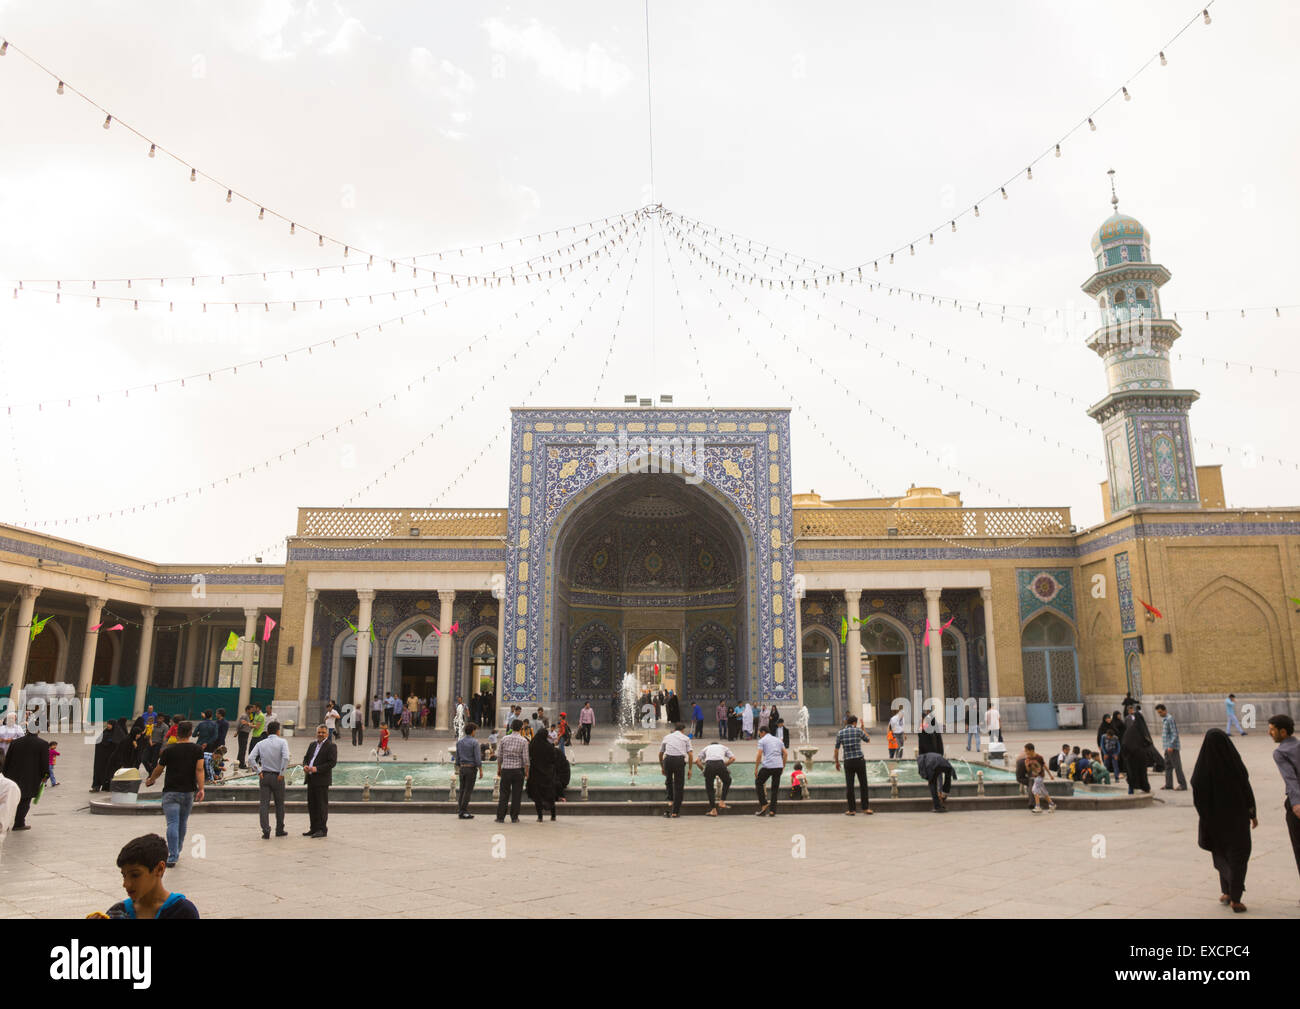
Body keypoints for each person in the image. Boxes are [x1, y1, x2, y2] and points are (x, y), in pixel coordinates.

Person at [1191, 728, 1256, 912]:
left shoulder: (1203, 768)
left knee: (1221, 853)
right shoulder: (1234, 763)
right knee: (1238, 856)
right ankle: (1235, 897)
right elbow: (1246, 788)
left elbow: (1197, 790)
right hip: (1237, 819)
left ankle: (1227, 892)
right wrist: (1252, 813)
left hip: (1214, 821)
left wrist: (1206, 816)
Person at [144, 721, 205, 866]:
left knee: (172, 823)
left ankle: (172, 855)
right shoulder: (197, 749)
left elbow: (159, 768)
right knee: (182, 822)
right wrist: (201, 788)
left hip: (171, 791)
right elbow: (199, 770)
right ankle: (177, 849)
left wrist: (151, 779)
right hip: (188, 791)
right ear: (190, 733)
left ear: (177, 734)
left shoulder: (169, 750)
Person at [105, 834, 200, 919]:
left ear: (159, 869)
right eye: (124, 876)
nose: (126, 884)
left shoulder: (182, 912)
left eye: (135, 875)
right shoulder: (118, 912)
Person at [1267, 714, 1300, 886]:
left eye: (1272, 729)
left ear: (1283, 732)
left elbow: (1291, 779)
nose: (1269, 733)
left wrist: (1296, 804)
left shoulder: (1280, 752)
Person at [248, 720, 291, 840]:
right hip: (278, 776)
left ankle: (266, 830)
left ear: (267, 731)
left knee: (264, 805)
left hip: (265, 775)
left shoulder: (261, 743)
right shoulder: (282, 742)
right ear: (278, 731)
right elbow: (286, 757)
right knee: (279, 804)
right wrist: (282, 773)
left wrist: (258, 771)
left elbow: (251, 758)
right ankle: (279, 829)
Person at [4, 728, 50, 831]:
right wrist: (46, 776)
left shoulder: (15, 742)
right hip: (31, 777)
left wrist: (5, 774)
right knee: (25, 800)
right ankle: (19, 823)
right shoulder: (42, 744)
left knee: (10, 801)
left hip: (12, 775)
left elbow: (7, 759)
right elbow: (44, 762)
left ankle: (4, 824)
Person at [300, 723, 337, 839]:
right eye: (319, 732)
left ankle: (322, 829)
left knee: (321, 806)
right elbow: (306, 758)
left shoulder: (331, 746)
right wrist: (305, 766)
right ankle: (313, 828)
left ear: (327, 734)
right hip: (311, 778)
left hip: (321, 780)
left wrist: (317, 769)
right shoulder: (312, 744)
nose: (320, 734)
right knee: (312, 805)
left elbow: (332, 763)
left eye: (323, 732)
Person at [834, 715, 874, 815]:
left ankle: (852, 810)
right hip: (859, 760)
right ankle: (865, 808)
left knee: (850, 786)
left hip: (848, 762)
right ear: (855, 723)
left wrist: (837, 762)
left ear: (847, 722)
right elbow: (868, 739)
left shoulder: (840, 733)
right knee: (863, 785)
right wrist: (863, 729)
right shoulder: (858, 731)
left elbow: (836, 749)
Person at [495, 719, 530, 823]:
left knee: (504, 794)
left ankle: (500, 817)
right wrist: (527, 772)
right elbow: (526, 759)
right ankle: (514, 817)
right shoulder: (523, 740)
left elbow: (499, 756)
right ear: (521, 728)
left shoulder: (504, 739)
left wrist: (499, 769)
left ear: (511, 727)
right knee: (516, 794)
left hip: (506, 770)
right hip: (518, 771)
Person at [658, 722, 694, 818]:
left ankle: (670, 800)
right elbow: (690, 754)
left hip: (668, 760)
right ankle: (675, 812)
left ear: (674, 729)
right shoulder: (686, 738)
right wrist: (690, 769)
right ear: (682, 730)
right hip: (679, 761)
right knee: (679, 785)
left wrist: (662, 767)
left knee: (668, 780)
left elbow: (660, 754)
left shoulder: (667, 737)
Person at [753, 725, 787, 817]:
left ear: (763, 732)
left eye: (759, 733)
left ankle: (764, 804)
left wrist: (756, 768)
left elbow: (759, 755)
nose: (759, 735)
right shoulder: (778, 740)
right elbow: (785, 753)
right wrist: (783, 766)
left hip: (768, 766)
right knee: (775, 789)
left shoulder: (762, 741)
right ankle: (772, 811)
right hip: (778, 766)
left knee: (759, 782)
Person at [526, 727, 557, 822]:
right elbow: (554, 759)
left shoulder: (532, 745)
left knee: (537, 795)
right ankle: (553, 815)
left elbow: (528, 757)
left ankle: (540, 817)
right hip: (547, 775)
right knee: (550, 794)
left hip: (535, 775)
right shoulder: (549, 746)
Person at [696, 739, 735, 816]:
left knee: (709, 787)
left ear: (711, 745)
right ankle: (722, 801)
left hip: (709, 765)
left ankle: (713, 810)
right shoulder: (723, 747)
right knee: (727, 781)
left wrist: (703, 770)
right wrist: (725, 766)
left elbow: (697, 761)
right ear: (718, 744)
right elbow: (733, 759)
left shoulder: (706, 748)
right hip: (720, 764)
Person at [1121, 706, 1154, 794]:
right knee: (1141, 773)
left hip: (1132, 756)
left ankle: (1133, 790)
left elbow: (1125, 743)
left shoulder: (1131, 729)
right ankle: (1145, 788)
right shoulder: (1141, 730)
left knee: (1133, 773)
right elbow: (1148, 742)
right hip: (1139, 756)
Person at [1154, 704, 1187, 790]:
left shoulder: (1169, 719)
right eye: (1158, 713)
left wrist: (1171, 746)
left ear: (1165, 710)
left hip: (1172, 748)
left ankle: (1182, 785)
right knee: (1168, 766)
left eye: (1160, 712)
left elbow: (1174, 733)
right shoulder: (1165, 720)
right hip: (1167, 747)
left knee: (1177, 766)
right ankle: (1169, 784)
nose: (1159, 714)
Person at [91, 718, 126, 792]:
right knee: (98, 771)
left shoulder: (118, 734)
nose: (108, 726)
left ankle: (108, 786)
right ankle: (96, 786)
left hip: (111, 759)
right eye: (108, 724)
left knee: (109, 772)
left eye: (110, 724)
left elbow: (120, 744)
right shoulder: (105, 732)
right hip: (102, 758)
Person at [456, 721, 483, 819]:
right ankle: (463, 811)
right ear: (472, 731)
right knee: (468, 790)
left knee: (462, 790)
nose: (475, 733)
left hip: (462, 768)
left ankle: (460, 809)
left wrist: (459, 767)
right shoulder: (474, 742)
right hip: (471, 769)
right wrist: (480, 770)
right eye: (475, 731)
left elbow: (457, 757)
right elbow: (477, 758)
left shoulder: (459, 742)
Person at [1022, 743, 1056, 813]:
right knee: (1044, 792)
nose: (1025, 752)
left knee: (1034, 789)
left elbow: (1044, 766)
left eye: (1026, 751)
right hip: (1035, 776)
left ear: (1031, 750)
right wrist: (1026, 765)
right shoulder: (1028, 759)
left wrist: (1050, 775)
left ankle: (1038, 806)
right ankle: (1052, 804)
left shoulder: (1039, 757)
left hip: (1040, 776)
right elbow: (1029, 770)